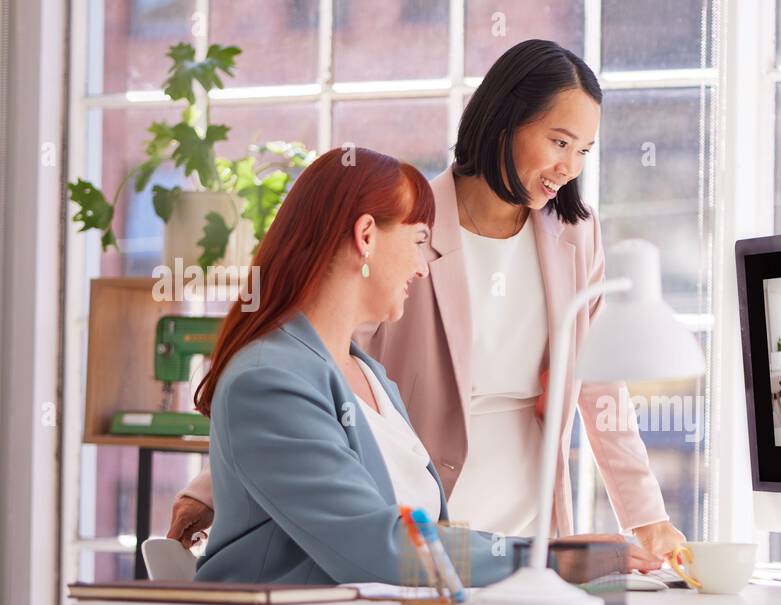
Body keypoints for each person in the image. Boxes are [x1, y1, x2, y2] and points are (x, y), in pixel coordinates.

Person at [182, 146, 655, 605]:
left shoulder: (368, 376)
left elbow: (420, 538)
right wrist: (545, 561)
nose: (424, 266)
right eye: (418, 243)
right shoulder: (269, 380)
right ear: (365, 237)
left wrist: (553, 564)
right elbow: (379, 545)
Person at [170, 39, 686, 567]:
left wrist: (647, 518)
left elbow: (599, 381)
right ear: (505, 121)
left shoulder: (575, 235)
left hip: (528, 518)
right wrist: (214, 486)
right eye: (559, 142)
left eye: (583, 151)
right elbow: (317, 357)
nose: (569, 166)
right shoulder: (408, 223)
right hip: (418, 517)